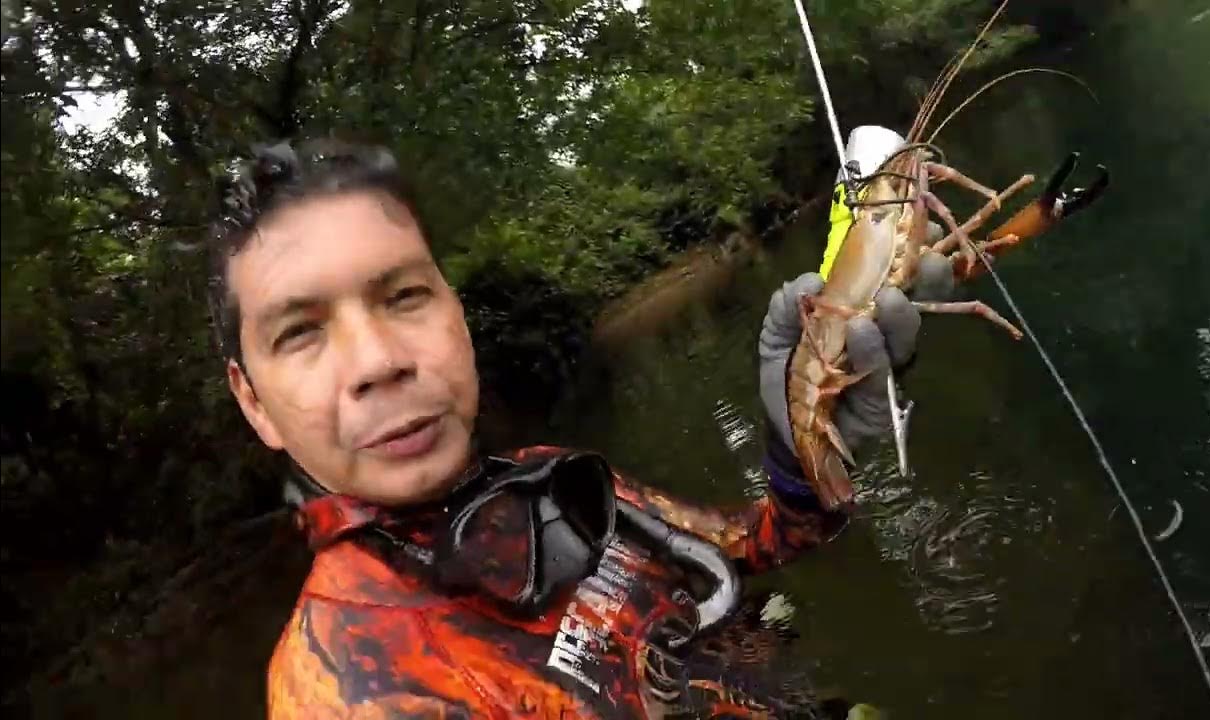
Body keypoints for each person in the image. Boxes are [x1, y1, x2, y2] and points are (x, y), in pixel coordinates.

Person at [207, 136, 952, 719]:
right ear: (255, 404)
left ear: (456, 315)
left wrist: (803, 445)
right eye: (300, 333)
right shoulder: (342, 691)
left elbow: (758, 545)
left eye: (403, 296)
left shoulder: (554, 478)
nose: (378, 361)